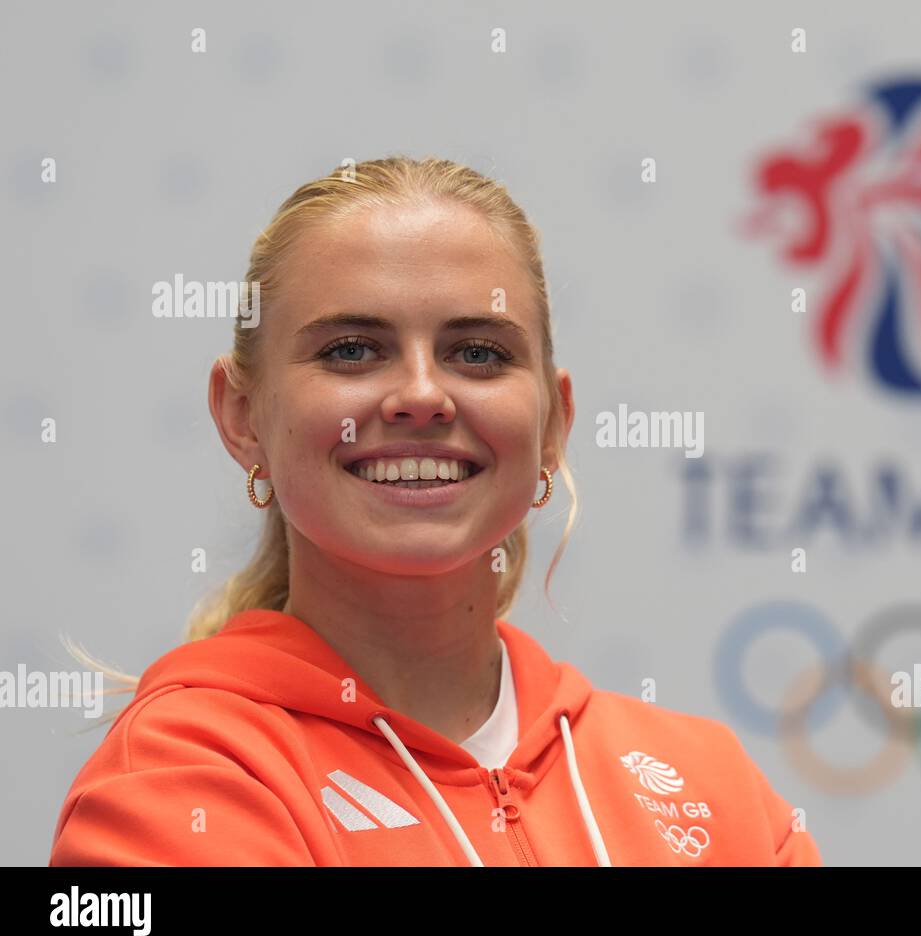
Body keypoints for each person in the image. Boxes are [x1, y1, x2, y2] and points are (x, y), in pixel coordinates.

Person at [48, 156, 821, 866]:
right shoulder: (178, 778)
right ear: (243, 414)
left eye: (478, 352)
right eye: (352, 349)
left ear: (553, 423)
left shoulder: (712, 787)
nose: (421, 395)